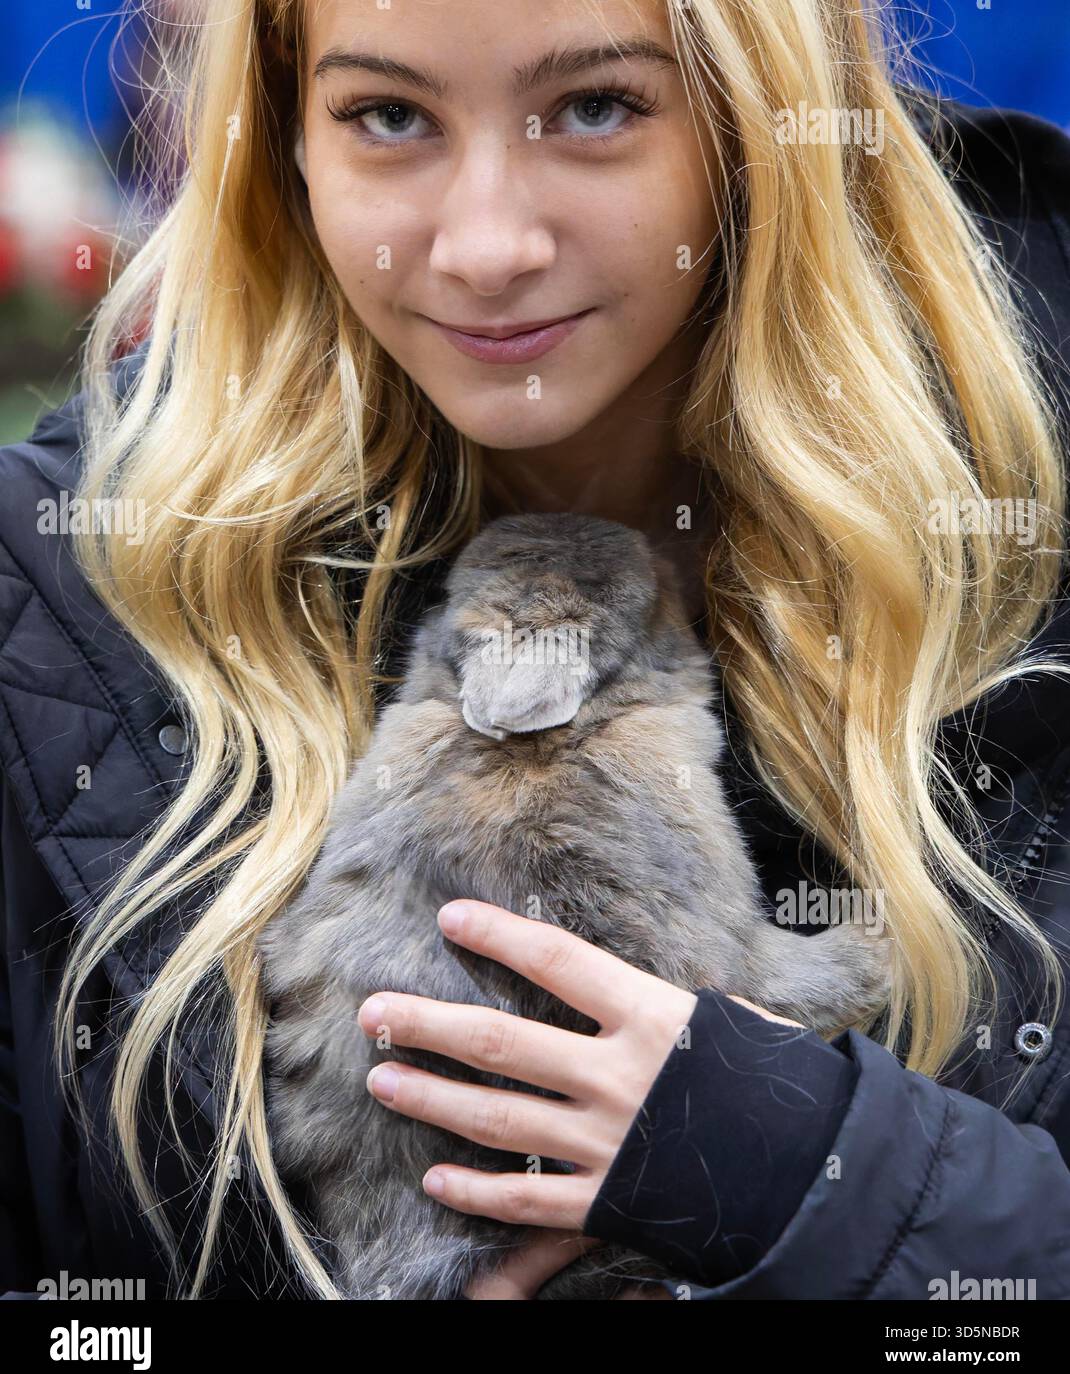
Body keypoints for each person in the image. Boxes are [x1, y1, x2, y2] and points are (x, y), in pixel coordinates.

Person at [2, 0, 1070, 1302]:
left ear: (754, 117)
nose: (488, 244)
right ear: (284, 134)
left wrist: (831, 1181)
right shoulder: (60, 590)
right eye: (389, 116)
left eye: (594, 107)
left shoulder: (1031, 493)